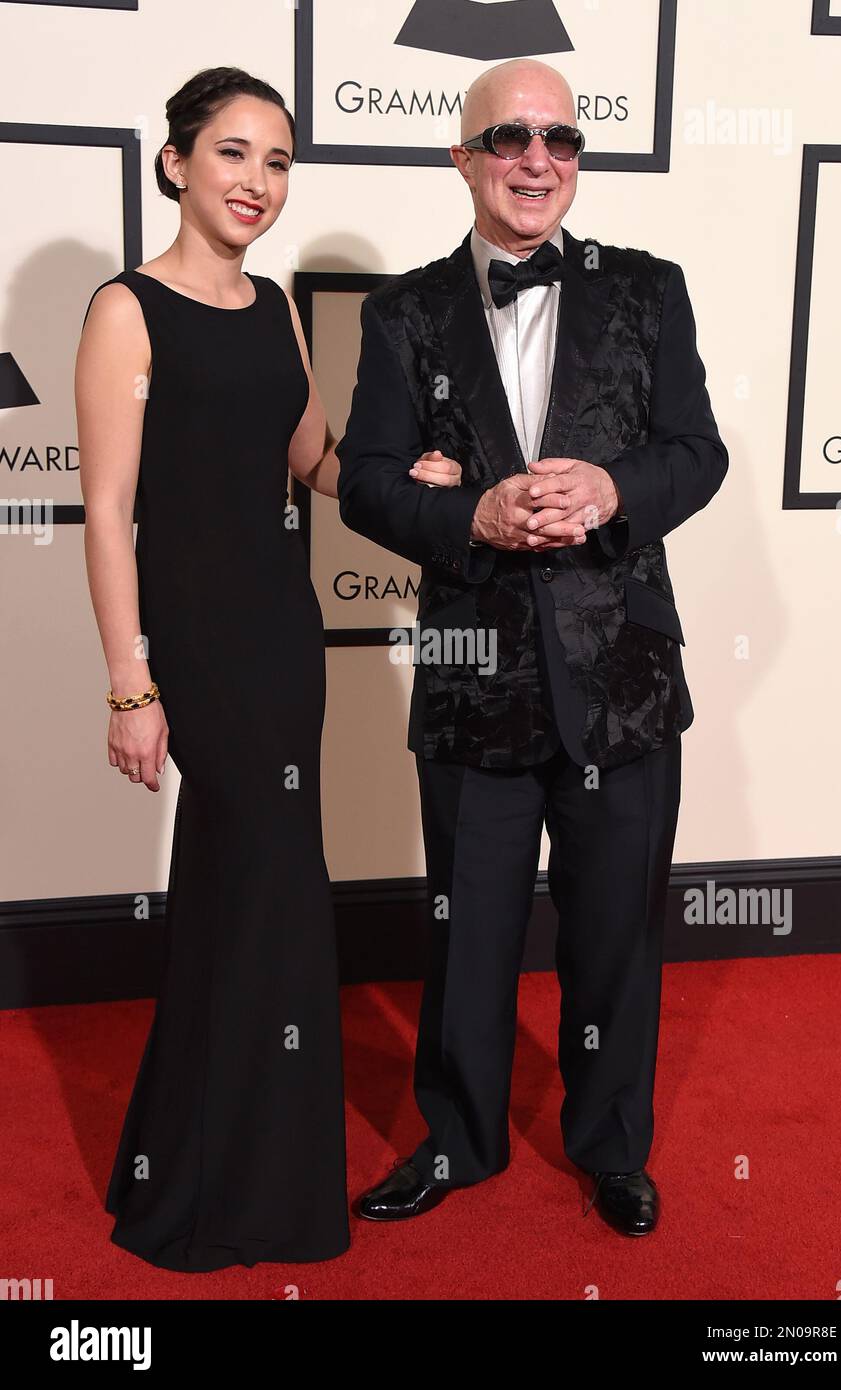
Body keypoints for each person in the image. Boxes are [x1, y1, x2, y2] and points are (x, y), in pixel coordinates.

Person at [75, 65, 460, 1271]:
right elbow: (107, 511)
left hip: (285, 639)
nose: (257, 181)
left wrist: (405, 481)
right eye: (233, 153)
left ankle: (208, 1165)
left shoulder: (274, 304)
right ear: (177, 162)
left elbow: (313, 460)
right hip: (197, 644)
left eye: (279, 161)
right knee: (266, 900)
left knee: (252, 901)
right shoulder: (126, 310)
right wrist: (131, 683)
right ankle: (219, 1193)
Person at [337, 58, 729, 1236]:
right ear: (461, 158)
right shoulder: (402, 313)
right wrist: (470, 513)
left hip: (623, 677)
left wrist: (612, 489)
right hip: (475, 678)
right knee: (466, 931)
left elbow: (695, 453)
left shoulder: (646, 290)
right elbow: (365, 482)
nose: (536, 159)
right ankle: (457, 1140)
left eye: (559, 139)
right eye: (508, 138)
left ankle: (609, 1146)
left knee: (616, 936)